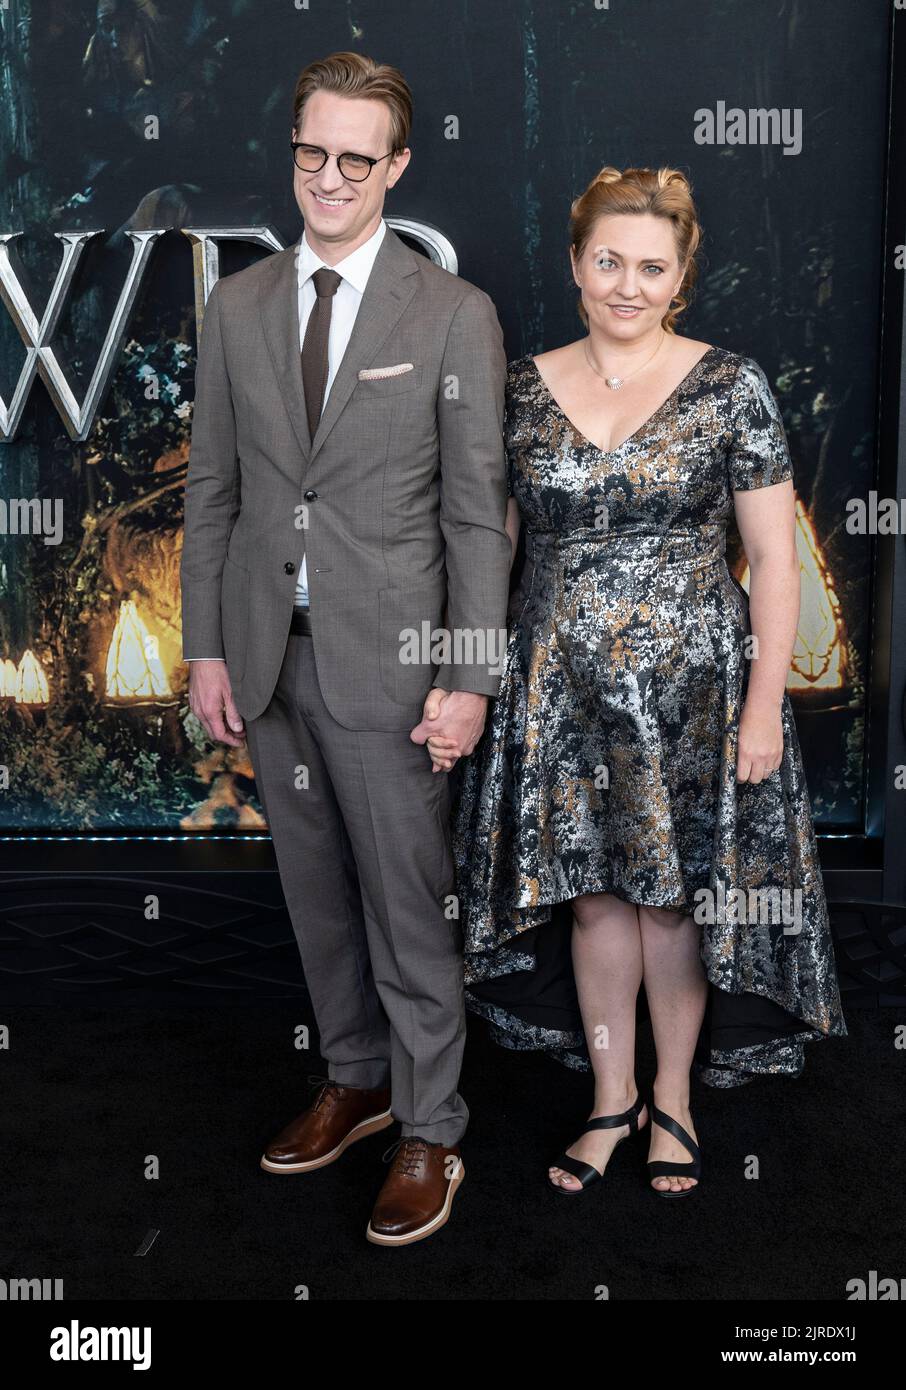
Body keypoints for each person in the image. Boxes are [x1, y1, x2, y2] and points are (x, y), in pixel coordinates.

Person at [430, 165, 847, 1198]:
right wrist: (469, 677)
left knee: (670, 905)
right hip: (558, 692)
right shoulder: (520, 385)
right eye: (608, 260)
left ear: (679, 277)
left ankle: (674, 1100)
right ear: (576, 263)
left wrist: (761, 709)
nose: (626, 283)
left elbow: (777, 562)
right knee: (591, 902)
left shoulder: (729, 384)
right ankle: (609, 1097)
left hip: (694, 694)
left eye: (650, 267)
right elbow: (493, 549)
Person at [179, 51, 511, 1244]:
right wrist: (206, 647)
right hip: (273, 660)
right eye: (310, 152)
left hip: (401, 666)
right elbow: (212, 492)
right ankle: (358, 1079)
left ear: (396, 167)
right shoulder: (242, 304)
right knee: (317, 900)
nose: (328, 176)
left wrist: (470, 674)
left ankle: (432, 1128)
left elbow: (481, 515)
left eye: (354, 158)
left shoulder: (453, 315)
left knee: (409, 911)